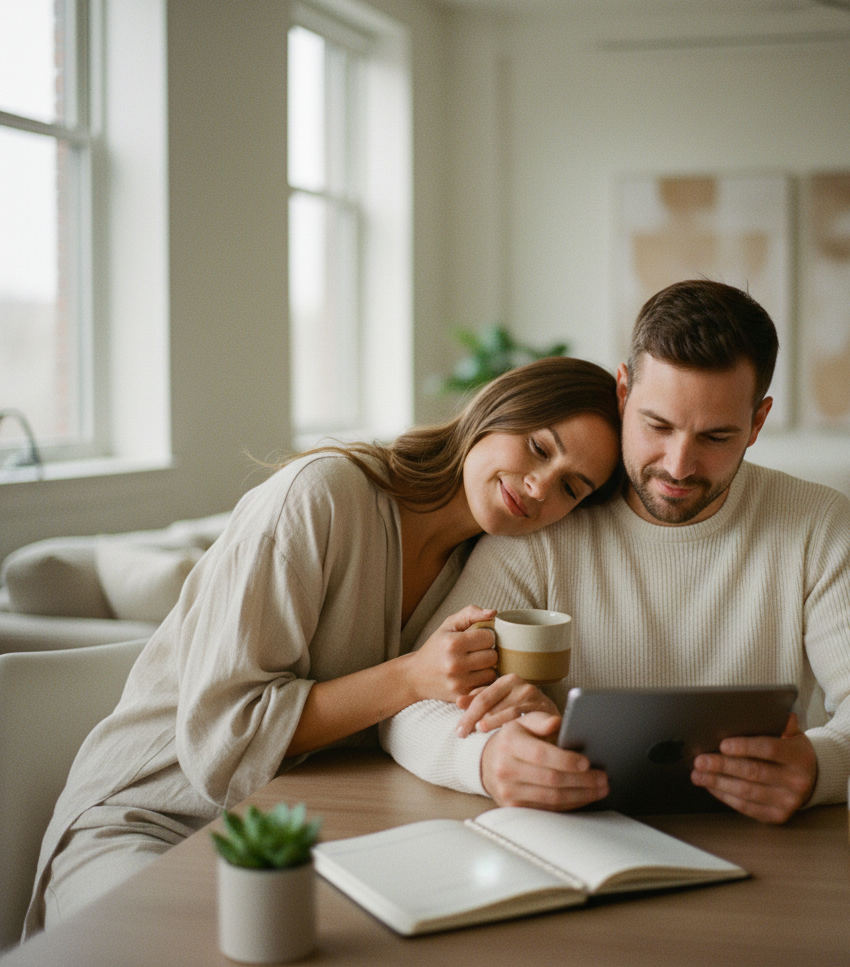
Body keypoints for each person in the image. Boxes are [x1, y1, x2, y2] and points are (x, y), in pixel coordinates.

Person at [25, 357, 622, 936]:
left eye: (571, 487)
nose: (541, 485)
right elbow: (220, 744)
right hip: (153, 823)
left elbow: (422, 727)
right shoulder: (325, 495)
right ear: (496, 410)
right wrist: (410, 677)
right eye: (540, 448)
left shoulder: (477, 569)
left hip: (301, 836)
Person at [380, 280, 850, 823]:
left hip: (762, 847)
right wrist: (484, 759)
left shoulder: (816, 523)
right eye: (657, 425)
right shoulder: (550, 517)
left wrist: (821, 765)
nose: (678, 465)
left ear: (757, 423)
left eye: (715, 437)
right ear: (623, 393)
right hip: (571, 839)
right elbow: (409, 704)